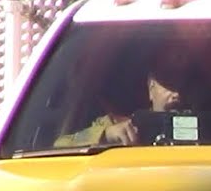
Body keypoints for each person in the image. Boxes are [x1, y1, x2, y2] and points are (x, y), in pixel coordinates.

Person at [53, 50, 192, 148]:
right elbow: (61, 145)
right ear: (151, 87)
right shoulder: (122, 125)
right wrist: (106, 136)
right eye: (169, 83)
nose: (177, 93)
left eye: (185, 84)